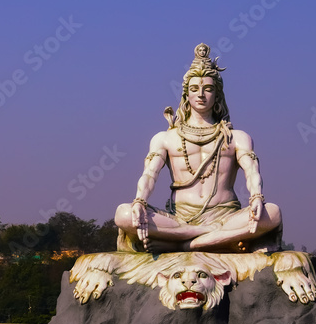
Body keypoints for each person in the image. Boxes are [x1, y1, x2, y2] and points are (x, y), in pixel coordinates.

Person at [114, 44, 282, 253]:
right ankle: (209, 237)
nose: (201, 94)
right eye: (194, 89)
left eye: (208, 88)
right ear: (186, 95)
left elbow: (252, 172)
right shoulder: (166, 138)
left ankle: (185, 244)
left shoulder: (236, 137)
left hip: (225, 218)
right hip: (180, 220)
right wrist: (140, 201)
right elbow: (149, 175)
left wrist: (256, 196)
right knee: (123, 214)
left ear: (217, 94)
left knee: (273, 213)